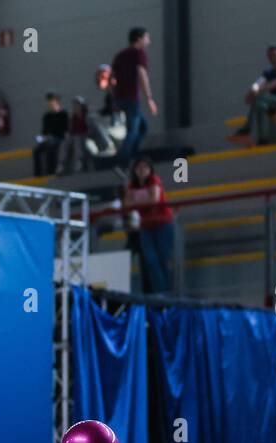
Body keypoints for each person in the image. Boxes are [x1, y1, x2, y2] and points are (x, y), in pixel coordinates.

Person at [123, 155, 174, 294]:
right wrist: (142, 204)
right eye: (139, 167)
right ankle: (159, 292)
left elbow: (154, 200)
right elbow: (127, 204)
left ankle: (167, 291)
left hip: (162, 223)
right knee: (150, 260)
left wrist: (136, 204)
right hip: (144, 225)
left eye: (145, 167)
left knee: (163, 259)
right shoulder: (131, 185)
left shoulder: (154, 180)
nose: (142, 170)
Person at [230, 44, 276, 146]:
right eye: (270, 55)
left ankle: (246, 129)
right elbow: (259, 82)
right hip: (272, 102)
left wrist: (256, 92)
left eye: (275, 55)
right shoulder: (269, 71)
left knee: (260, 97)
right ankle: (263, 139)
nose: (273, 57)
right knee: (261, 106)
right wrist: (251, 91)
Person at [112, 27, 157, 173]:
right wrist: (149, 98)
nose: (148, 41)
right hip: (131, 98)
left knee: (142, 127)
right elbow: (142, 74)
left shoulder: (119, 56)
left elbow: (111, 79)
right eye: (146, 38)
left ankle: (133, 156)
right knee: (133, 130)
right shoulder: (138, 53)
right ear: (139, 39)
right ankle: (122, 162)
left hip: (120, 98)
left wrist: (114, 98)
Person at [33, 92, 67, 176]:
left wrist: (52, 136)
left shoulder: (63, 114)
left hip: (59, 138)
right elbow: (44, 131)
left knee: (50, 147)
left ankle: (51, 172)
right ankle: (38, 174)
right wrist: (42, 137)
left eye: (52, 100)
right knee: (36, 151)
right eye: (49, 101)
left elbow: (64, 129)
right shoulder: (47, 116)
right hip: (48, 138)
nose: (50, 103)